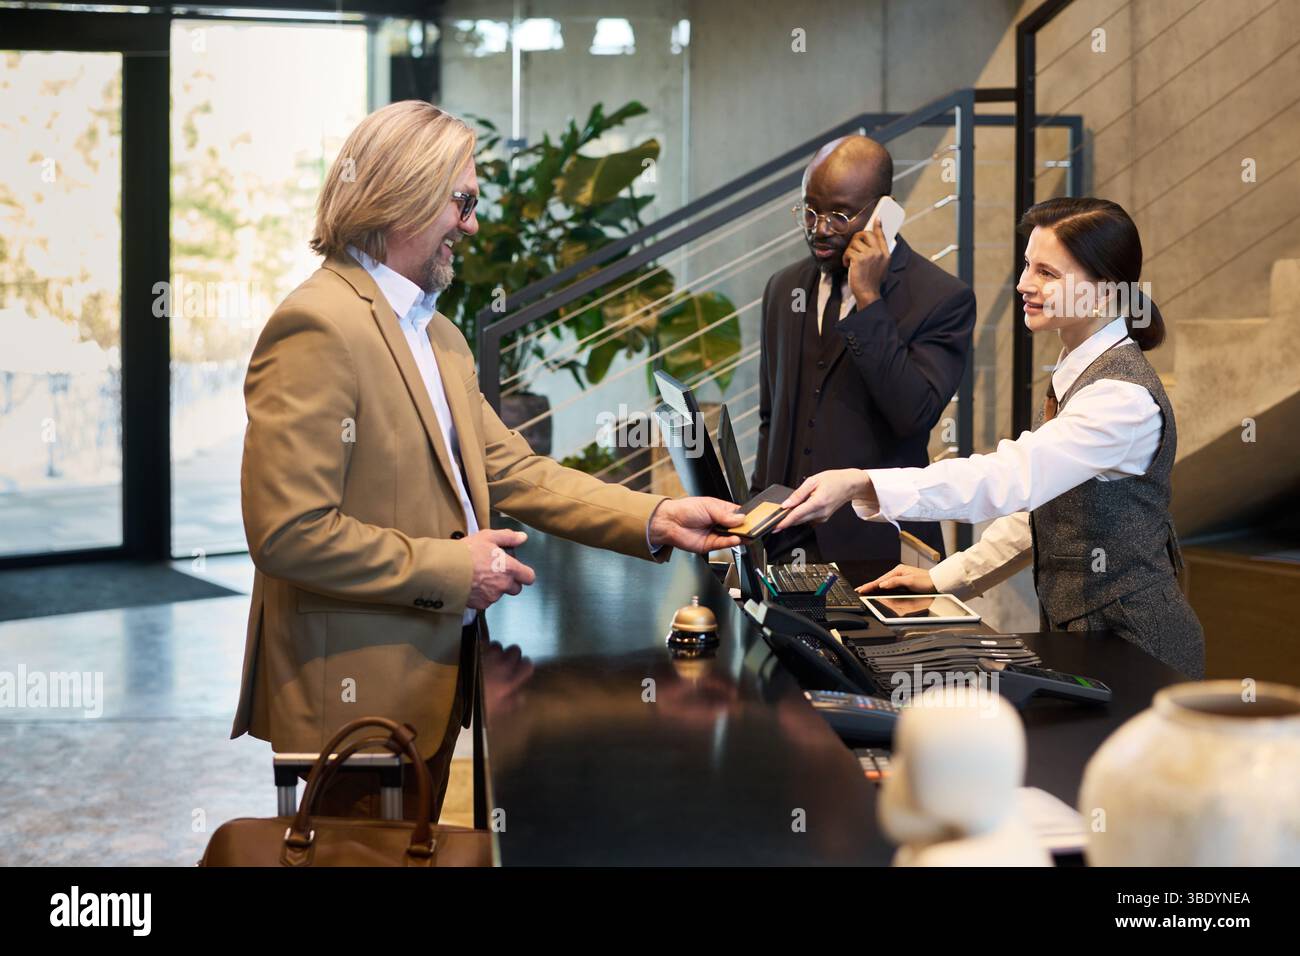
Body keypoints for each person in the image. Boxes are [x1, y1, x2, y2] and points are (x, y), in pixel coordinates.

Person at [231, 101, 745, 819]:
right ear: (402, 195)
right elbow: (289, 533)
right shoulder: (318, 325)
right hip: (351, 701)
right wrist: (454, 568)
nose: (471, 223)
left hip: (428, 684)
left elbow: (515, 471)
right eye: (462, 201)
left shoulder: (438, 334)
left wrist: (656, 516)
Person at [775, 197, 1204, 678]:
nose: (1023, 284)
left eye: (1047, 273)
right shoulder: (1079, 373)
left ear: (1104, 293)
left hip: (1137, 646)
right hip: (1093, 638)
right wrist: (943, 578)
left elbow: (1010, 478)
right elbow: (1039, 511)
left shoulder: (1119, 399)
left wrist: (862, 483)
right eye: (1027, 266)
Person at [752, 134, 975, 565]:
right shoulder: (783, 288)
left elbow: (912, 414)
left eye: (839, 215)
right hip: (781, 544)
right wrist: (755, 522)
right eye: (810, 210)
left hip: (881, 550)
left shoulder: (942, 298)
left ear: (882, 213)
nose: (819, 229)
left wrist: (869, 300)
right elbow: (770, 418)